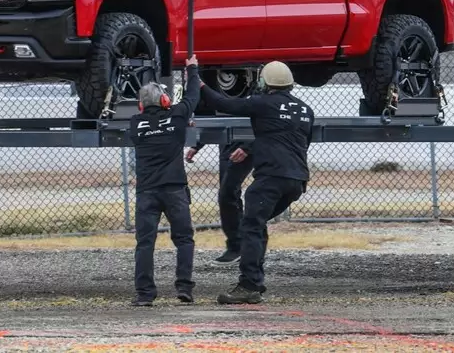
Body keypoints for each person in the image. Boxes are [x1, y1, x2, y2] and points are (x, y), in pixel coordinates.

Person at [198, 61, 314, 305]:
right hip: (297, 180)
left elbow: (224, 104)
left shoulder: (263, 103)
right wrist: (253, 147)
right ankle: (253, 280)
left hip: (270, 179)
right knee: (256, 226)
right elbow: (295, 140)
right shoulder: (305, 110)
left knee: (251, 227)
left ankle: (249, 284)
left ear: (265, 82)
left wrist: (198, 84)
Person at [126, 55, 202, 306]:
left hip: (147, 191)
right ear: (166, 100)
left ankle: (145, 294)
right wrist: (192, 69)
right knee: (184, 239)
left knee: (145, 242)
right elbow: (193, 96)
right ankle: (184, 288)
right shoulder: (178, 116)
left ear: (140, 106)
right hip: (175, 189)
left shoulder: (136, 124)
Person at [184, 132, 253, 264]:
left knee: (227, 195)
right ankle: (242, 246)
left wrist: (247, 146)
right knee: (229, 195)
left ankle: (239, 246)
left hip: (246, 143)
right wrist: (196, 145)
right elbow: (212, 117)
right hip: (227, 146)